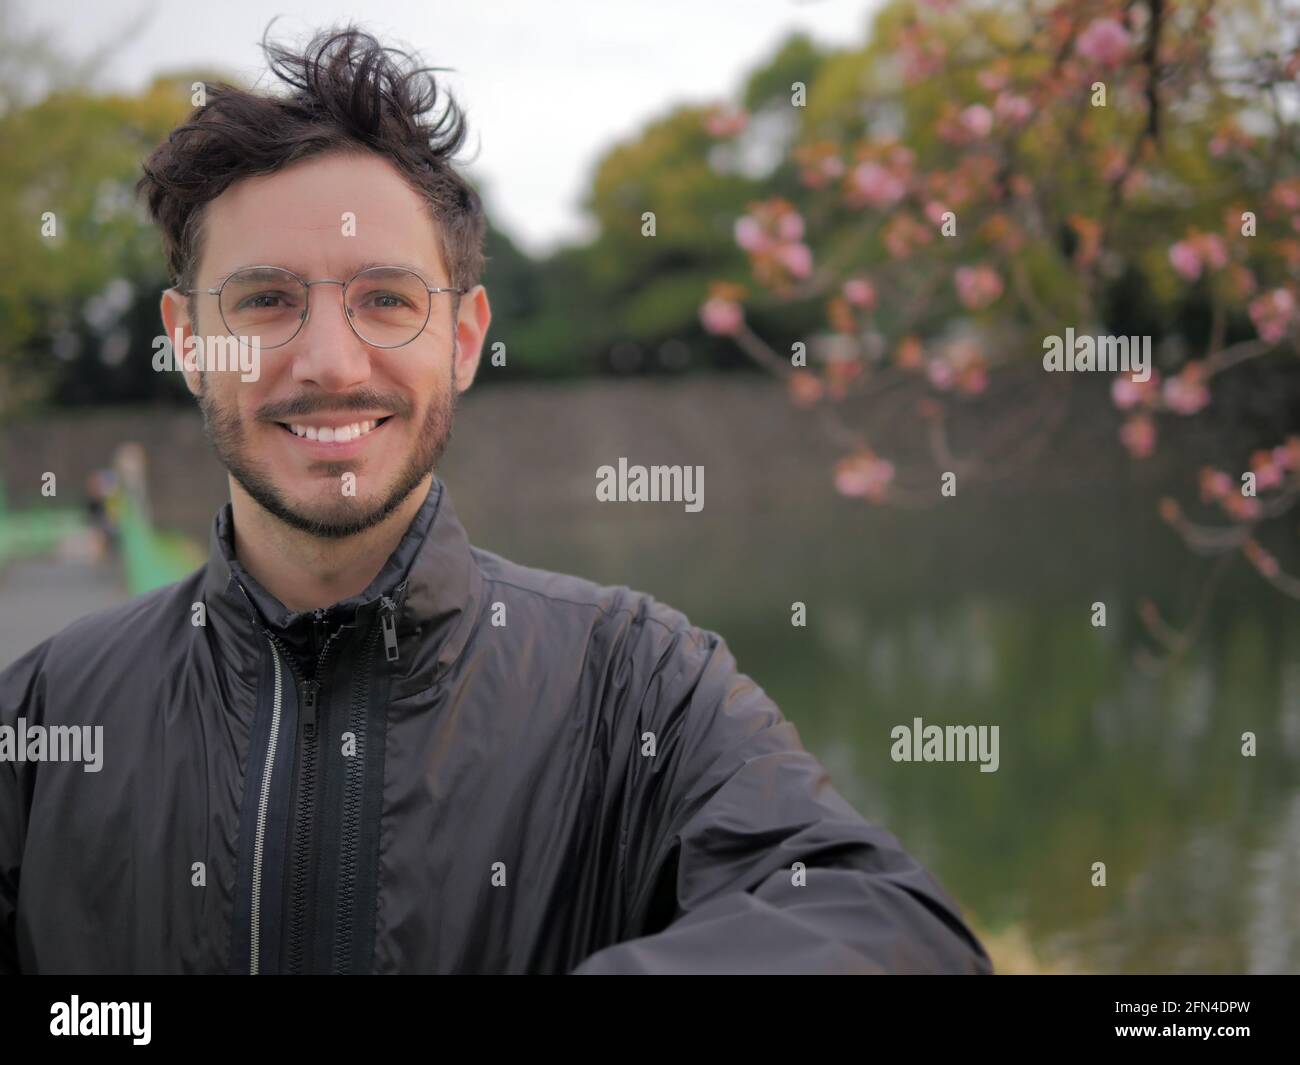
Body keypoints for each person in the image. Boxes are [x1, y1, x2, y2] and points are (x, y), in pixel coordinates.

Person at [0, 23, 991, 975]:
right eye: (264, 302)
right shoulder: (46, 714)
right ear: (185, 340)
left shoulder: (636, 685)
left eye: (386, 300)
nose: (332, 362)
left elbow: (889, 926)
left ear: (465, 339)